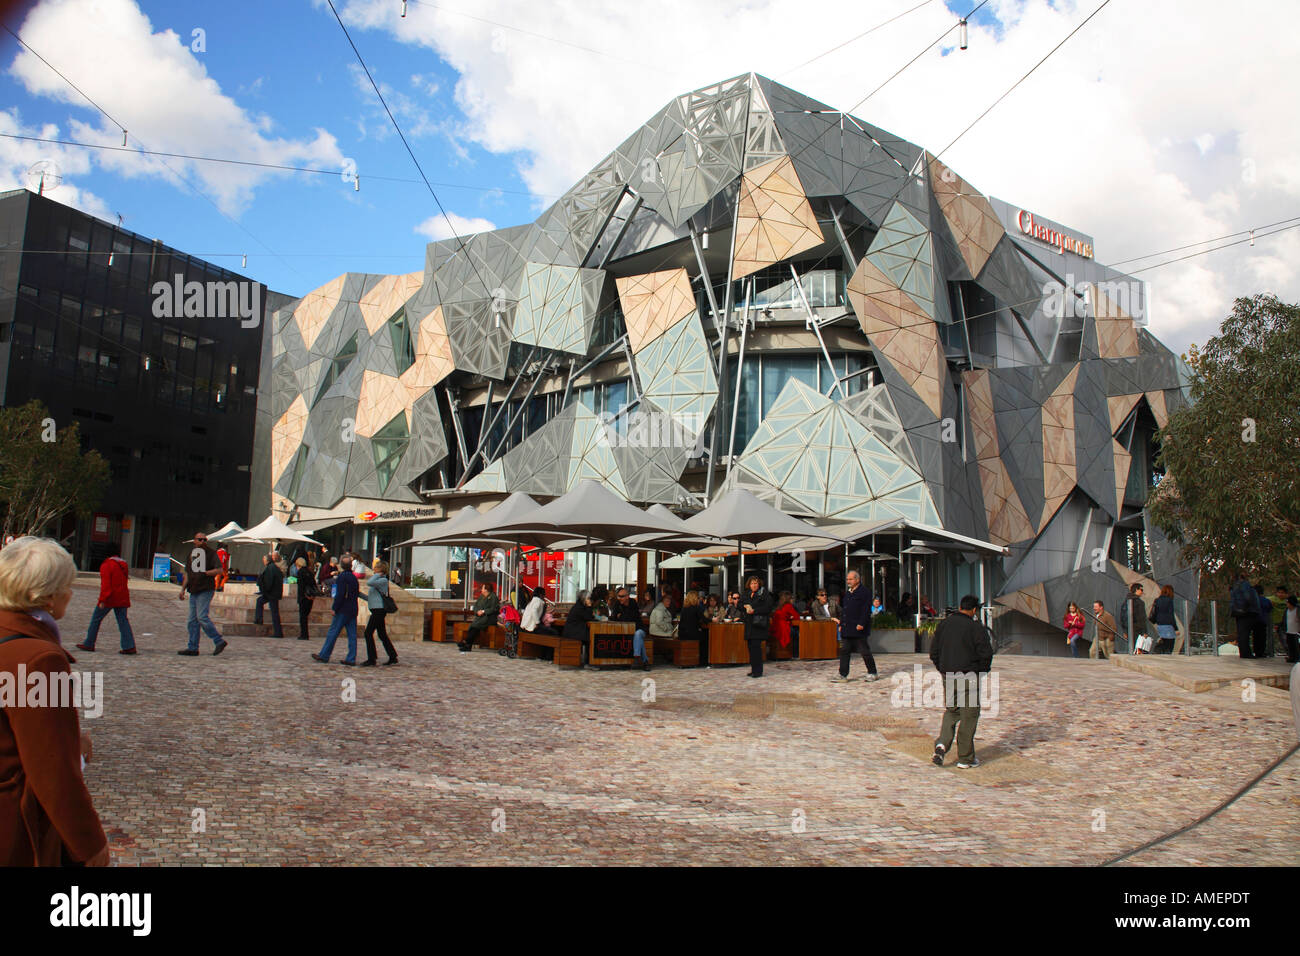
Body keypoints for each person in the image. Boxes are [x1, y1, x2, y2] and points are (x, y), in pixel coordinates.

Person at [0, 536, 111, 866]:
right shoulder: (39, 659)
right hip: (15, 828)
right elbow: (53, 772)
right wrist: (91, 847)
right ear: (46, 596)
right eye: (67, 585)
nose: (71, 593)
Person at [929, 594, 994, 769]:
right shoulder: (975, 627)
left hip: (948, 675)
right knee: (969, 715)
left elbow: (933, 651)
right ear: (974, 610)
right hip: (969, 676)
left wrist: (943, 669)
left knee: (953, 710)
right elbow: (986, 653)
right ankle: (965, 758)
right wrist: (981, 671)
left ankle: (942, 744)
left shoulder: (944, 624)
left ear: (960, 607)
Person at [76, 541, 136, 655]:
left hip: (110, 597)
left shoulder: (107, 565)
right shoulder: (123, 564)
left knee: (96, 619)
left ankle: (89, 643)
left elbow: (106, 585)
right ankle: (129, 645)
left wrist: (102, 600)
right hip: (122, 596)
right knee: (123, 621)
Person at [177, 531, 228, 657]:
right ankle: (193, 647)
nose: (202, 542)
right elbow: (188, 573)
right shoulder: (191, 555)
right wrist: (182, 589)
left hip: (205, 588)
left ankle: (218, 640)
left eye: (204, 540)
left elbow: (219, 570)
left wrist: (205, 573)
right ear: (195, 540)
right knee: (192, 620)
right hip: (194, 589)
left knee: (201, 617)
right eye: (200, 539)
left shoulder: (211, 553)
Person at [832, 569, 877, 683]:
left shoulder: (864, 592)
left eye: (851, 579)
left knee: (864, 651)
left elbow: (866, 609)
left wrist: (861, 623)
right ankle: (843, 674)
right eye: (847, 579)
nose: (848, 581)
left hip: (858, 627)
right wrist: (841, 624)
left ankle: (872, 672)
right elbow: (844, 610)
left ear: (857, 579)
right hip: (847, 627)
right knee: (844, 651)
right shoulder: (848, 593)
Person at [314, 555, 359, 665]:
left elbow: (340, 594)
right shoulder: (353, 577)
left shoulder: (342, 577)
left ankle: (324, 655)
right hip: (352, 608)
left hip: (343, 609)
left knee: (333, 632)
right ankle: (351, 658)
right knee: (352, 635)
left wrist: (335, 608)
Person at [361, 559, 398, 667]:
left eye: (376, 567)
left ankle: (372, 658)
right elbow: (372, 598)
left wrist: (378, 574)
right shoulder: (378, 580)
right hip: (376, 609)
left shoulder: (382, 580)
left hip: (379, 610)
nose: (374, 569)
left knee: (368, 633)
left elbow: (369, 582)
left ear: (380, 569)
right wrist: (359, 595)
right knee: (382, 634)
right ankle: (392, 656)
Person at [459, 582, 499, 653]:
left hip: (489, 618)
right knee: (473, 626)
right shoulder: (481, 597)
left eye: (483, 588)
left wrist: (483, 611)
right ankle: (467, 644)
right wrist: (477, 612)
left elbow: (494, 609)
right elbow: (476, 606)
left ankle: (466, 642)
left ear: (486, 589)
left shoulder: (493, 597)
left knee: (476, 626)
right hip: (480, 617)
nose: (481, 590)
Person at [254, 552, 285, 639]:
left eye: (264, 560)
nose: (263, 561)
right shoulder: (274, 567)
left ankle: (277, 632)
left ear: (267, 560)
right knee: (261, 602)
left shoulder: (270, 568)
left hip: (272, 594)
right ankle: (259, 620)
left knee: (274, 612)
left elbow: (269, 582)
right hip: (274, 593)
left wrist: (265, 591)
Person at [1229, 571, 1260, 659]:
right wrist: (1248, 607)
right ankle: (1246, 653)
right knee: (1245, 633)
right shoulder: (1244, 585)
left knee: (1241, 633)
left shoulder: (1234, 586)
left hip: (1238, 611)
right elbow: (1248, 597)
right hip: (1246, 611)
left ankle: (1243, 652)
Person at [643, 593, 674, 670]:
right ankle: (670, 656)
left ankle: (670, 655)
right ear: (664, 602)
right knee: (675, 636)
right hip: (658, 631)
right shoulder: (660, 610)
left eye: (669, 601)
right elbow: (659, 622)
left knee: (675, 635)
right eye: (668, 601)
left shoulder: (662, 609)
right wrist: (668, 628)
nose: (669, 603)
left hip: (657, 630)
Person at [294, 555, 319, 641]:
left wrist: (301, 597)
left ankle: (304, 634)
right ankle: (305, 634)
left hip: (304, 597)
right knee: (306, 615)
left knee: (303, 617)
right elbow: (314, 584)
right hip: (310, 597)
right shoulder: (310, 572)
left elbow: (301, 587)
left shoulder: (300, 572)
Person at [1120, 583, 1149, 653]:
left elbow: (1122, 617)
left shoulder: (1125, 601)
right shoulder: (1140, 602)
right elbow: (1142, 618)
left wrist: (1124, 630)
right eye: (1141, 590)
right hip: (1138, 630)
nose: (1142, 592)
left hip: (1128, 629)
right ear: (1136, 589)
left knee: (1132, 649)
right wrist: (1144, 631)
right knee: (1139, 650)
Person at [678, 590, 706, 664]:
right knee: (705, 637)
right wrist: (712, 619)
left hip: (682, 633)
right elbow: (704, 619)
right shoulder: (696, 608)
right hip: (691, 634)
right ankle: (702, 660)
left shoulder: (684, 608)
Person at [1150, 585, 1178, 654]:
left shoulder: (1157, 600)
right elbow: (1171, 615)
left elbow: (1155, 612)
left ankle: (1159, 654)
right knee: (1169, 645)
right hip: (1168, 625)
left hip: (1159, 624)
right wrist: (1176, 628)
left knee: (1163, 642)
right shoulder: (1169, 601)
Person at [1252, 584, 1272, 659]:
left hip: (1254, 620)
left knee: (1255, 636)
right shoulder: (1265, 600)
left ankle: (1256, 651)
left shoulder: (1253, 600)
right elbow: (1269, 608)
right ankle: (1261, 651)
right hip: (1263, 620)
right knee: (1262, 637)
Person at [1282, 593, 1299, 664]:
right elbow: (1284, 619)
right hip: (1289, 631)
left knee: (1296, 646)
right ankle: (1291, 657)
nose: (1287, 604)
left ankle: (1297, 658)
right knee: (1290, 645)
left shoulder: (1298, 610)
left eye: (1288, 602)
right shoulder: (1286, 610)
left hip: (1296, 631)